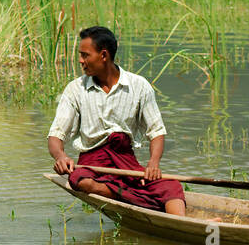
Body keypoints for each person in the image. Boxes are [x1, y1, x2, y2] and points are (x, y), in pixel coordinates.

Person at [47, 25, 186, 216]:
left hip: (126, 165)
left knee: (171, 186)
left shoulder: (139, 86)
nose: (81, 60)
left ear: (103, 55)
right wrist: (60, 157)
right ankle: (134, 197)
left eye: (85, 55)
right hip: (92, 166)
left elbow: (156, 132)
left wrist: (153, 163)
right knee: (80, 180)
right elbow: (56, 135)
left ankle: (179, 222)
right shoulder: (75, 89)